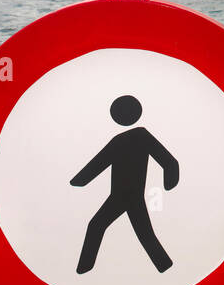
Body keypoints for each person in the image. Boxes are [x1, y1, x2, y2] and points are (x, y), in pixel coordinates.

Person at [70, 95, 179, 274]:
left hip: (127, 196)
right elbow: (99, 163)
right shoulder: (122, 140)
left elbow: (169, 162)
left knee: (97, 226)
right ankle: (164, 265)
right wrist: (79, 180)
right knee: (142, 232)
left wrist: (169, 181)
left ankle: (85, 267)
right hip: (122, 196)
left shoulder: (139, 136)